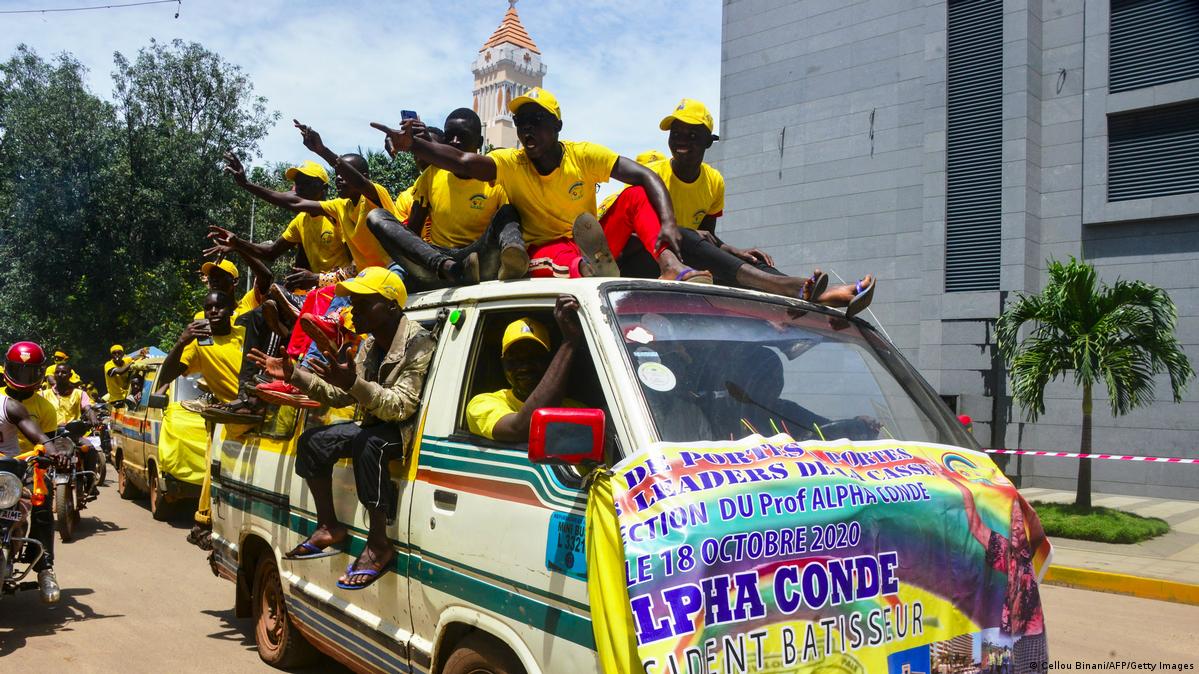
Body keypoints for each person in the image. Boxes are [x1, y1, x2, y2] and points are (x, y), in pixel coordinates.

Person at [373, 87, 708, 283]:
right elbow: (462, 162)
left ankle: (672, 267)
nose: (527, 129)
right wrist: (413, 145)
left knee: (634, 194)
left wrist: (667, 223)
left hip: (592, 237)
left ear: (557, 125)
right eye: (521, 122)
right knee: (554, 254)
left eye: (537, 121)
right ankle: (588, 271)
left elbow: (646, 176)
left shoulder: (585, 155)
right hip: (546, 248)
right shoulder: (510, 163)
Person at [248, 267, 434, 590]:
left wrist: (353, 383)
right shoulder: (369, 345)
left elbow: (401, 406)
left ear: (391, 305)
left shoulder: (419, 343)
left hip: (402, 430)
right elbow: (337, 395)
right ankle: (328, 525)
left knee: (369, 444)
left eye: (362, 302)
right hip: (374, 422)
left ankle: (378, 543)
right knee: (312, 442)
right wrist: (294, 376)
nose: (353, 310)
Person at [636, 99, 876, 316]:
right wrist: (686, 233)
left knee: (746, 259)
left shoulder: (714, 181)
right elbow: (635, 228)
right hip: (649, 259)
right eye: (676, 133)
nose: (681, 140)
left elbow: (708, 240)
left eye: (692, 135)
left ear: (708, 142)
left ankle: (807, 300)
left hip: (686, 259)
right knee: (684, 234)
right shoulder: (652, 175)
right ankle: (793, 289)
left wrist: (732, 249)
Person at [367, 108, 526, 287]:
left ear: (480, 142)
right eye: (449, 137)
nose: (455, 142)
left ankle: (514, 257)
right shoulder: (431, 174)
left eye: (462, 136)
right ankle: (452, 270)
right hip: (439, 264)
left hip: (480, 260)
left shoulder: (495, 177)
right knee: (376, 217)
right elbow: (412, 230)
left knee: (508, 211)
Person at [225, 120, 396, 274]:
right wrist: (245, 184)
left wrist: (322, 150)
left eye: (344, 174)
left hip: (389, 272)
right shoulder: (339, 207)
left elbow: (359, 183)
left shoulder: (376, 194)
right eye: (336, 174)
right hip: (359, 281)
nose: (338, 177)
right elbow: (293, 204)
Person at [206, 160, 352, 292]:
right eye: (298, 183)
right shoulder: (300, 221)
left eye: (306, 183)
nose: (300, 188)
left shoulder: (338, 214)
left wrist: (246, 184)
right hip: (317, 291)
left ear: (324, 188)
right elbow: (271, 252)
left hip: (344, 288)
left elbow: (355, 267)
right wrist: (237, 243)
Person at [2, 341, 69, 604]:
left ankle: (44, 568)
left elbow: (50, 442)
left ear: (40, 373)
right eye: (18, 370)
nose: (23, 378)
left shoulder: (45, 407)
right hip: (1, 467)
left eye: (30, 373)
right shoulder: (0, 399)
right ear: (7, 368)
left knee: (43, 506)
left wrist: (57, 456)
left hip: (30, 466)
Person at [466, 297, 584, 442]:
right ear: (503, 364)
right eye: (514, 358)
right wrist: (569, 343)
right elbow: (518, 429)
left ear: (549, 362)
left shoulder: (576, 410)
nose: (524, 366)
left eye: (533, 356)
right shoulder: (482, 404)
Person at [44, 364, 102, 495]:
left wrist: (93, 418)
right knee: (40, 454)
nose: (60, 375)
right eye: (57, 372)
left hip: (73, 434)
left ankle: (89, 481)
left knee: (90, 449)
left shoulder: (80, 393)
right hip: (52, 434)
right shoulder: (44, 394)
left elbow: (87, 408)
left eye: (64, 373)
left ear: (70, 375)